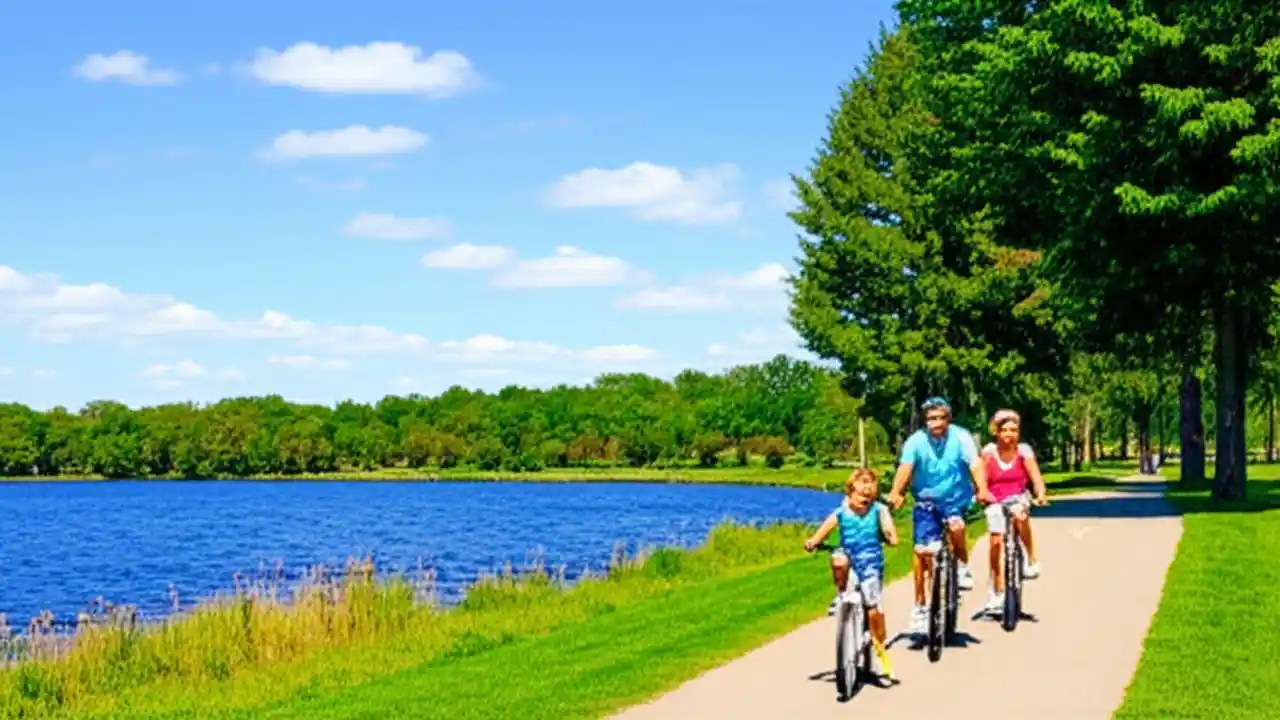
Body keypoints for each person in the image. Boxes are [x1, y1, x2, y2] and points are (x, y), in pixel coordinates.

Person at [887, 396, 995, 633]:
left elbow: (975, 463)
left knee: (956, 526)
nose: (935, 423)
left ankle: (961, 566)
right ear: (925, 420)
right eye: (931, 418)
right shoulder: (915, 441)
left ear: (948, 418)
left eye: (940, 418)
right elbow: (905, 467)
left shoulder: (961, 437)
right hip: (925, 500)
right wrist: (896, 492)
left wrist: (983, 488)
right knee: (921, 550)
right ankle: (920, 607)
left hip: (955, 498)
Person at [805, 468, 898, 675]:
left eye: (870, 485)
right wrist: (814, 541)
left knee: (873, 608)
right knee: (838, 560)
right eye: (862, 484)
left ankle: (879, 646)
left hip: (871, 562)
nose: (866, 489)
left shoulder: (879, 510)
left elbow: (890, 530)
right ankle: (840, 595)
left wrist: (890, 536)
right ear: (851, 489)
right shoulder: (842, 511)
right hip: (849, 556)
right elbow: (827, 527)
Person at [980, 409, 1047, 611]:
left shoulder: (1023, 451)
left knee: (1020, 516)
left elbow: (1035, 476)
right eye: (1005, 430)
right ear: (997, 432)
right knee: (996, 541)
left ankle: (1031, 558)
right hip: (995, 499)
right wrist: (982, 493)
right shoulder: (989, 452)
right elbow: (981, 478)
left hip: (1018, 496)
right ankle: (997, 589)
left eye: (1014, 430)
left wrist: (1041, 493)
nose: (1009, 434)